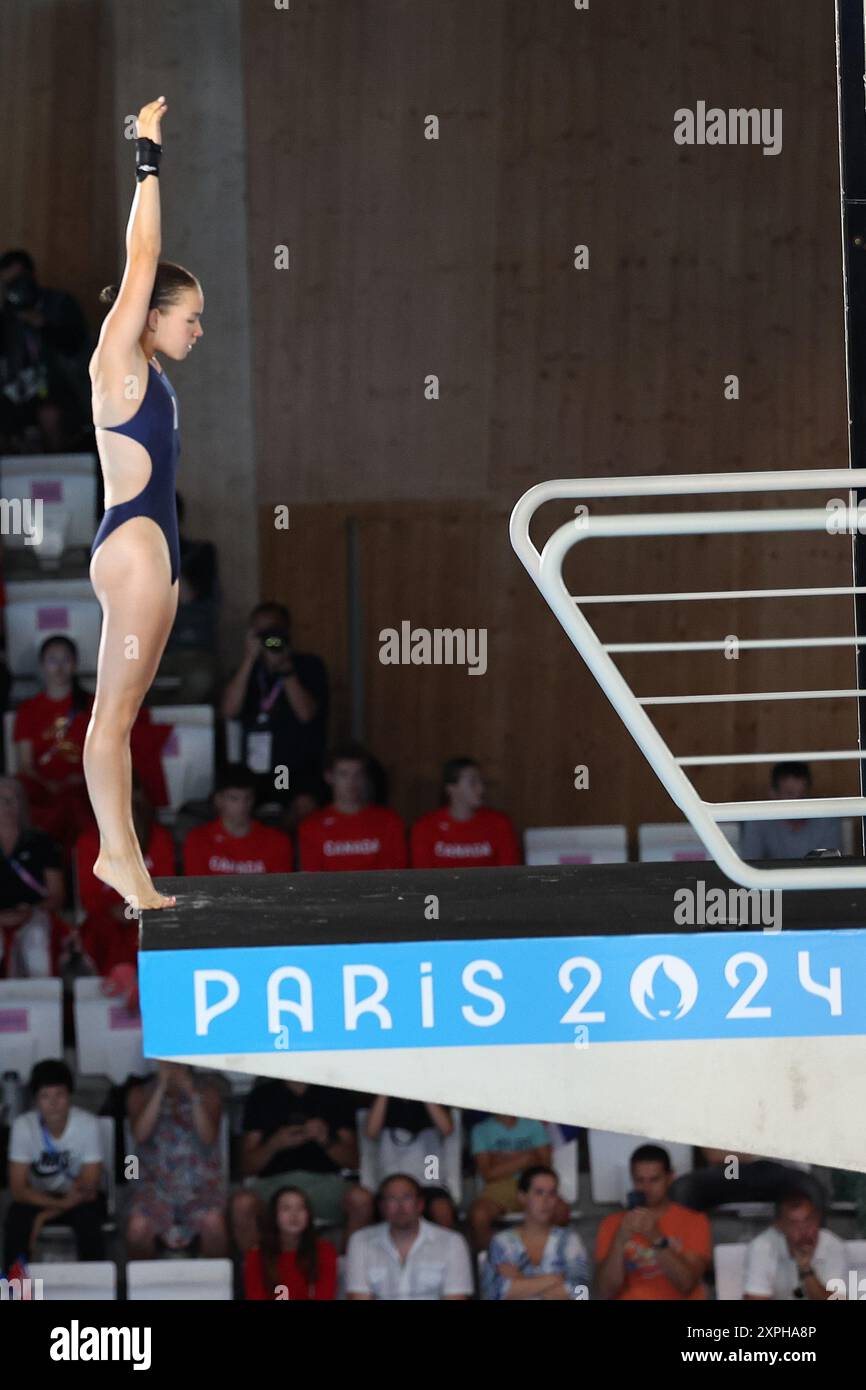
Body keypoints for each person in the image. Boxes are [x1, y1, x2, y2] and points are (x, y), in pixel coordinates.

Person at [84, 95, 204, 911]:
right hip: (131, 546)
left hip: (155, 549)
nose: (198, 330)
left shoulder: (154, 376)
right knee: (112, 719)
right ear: (149, 315)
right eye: (190, 317)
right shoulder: (119, 356)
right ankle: (116, 859)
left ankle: (129, 860)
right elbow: (144, 251)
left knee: (126, 716)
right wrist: (149, 154)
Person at [231, 1078, 373, 1249]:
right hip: (272, 1184)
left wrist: (325, 1139)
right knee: (241, 1204)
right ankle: (257, 1271)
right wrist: (275, 1143)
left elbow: (353, 1161)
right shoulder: (262, 1095)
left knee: (361, 1199)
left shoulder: (335, 1094)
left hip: (325, 1183)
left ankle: (348, 1268)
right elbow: (246, 1166)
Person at [220, 601, 329, 823]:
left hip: (296, 767)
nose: (267, 637)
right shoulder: (246, 671)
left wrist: (285, 668)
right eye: (259, 632)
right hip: (254, 770)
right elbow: (229, 711)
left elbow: (306, 713)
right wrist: (249, 660)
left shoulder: (308, 665)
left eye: (273, 631)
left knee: (304, 807)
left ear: (287, 632)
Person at [4, 1059, 104, 1266]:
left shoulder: (88, 1125)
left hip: (79, 1199)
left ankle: (92, 1291)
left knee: (90, 1220)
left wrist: (44, 1217)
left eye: (59, 1095)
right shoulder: (24, 1127)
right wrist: (56, 1205)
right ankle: (18, 1293)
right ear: (36, 1100)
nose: (53, 1103)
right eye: (45, 1096)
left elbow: (89, 1187)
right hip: (37, 1198)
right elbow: (18, 1189)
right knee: (15, 1222)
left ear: (69, 1096)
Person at [75, 777, 175, 981]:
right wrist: (120, 910)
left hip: (149, 913)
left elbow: (166, 888)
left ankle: (141, 987)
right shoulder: (88, 842)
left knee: (146, 931)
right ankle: (116, 988)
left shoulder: (160, 838)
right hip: (107, 917)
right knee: (105, 930)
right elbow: (89, 898)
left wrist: (135, 909)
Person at [125, 1061, 227, 1258]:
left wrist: (192, 1095)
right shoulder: (139, 1094)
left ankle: (214, 1286)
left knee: (214, 1223)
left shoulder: (209, 1093)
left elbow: (208, 1138)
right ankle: (144, 1286)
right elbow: (139, 1135)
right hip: (152, 1187)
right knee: (137, 1227)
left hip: (200, 1187)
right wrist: (160, 1089)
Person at [0, 249, 91, 454]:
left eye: (19, 281)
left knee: (49, 414)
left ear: (32, 276)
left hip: (64, 388)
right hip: (19, 393)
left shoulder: (60, 305)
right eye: (9, 284)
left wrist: (42, 325)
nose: (16, 289)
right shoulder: (7, 317)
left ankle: (55, 474)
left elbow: (75, 346)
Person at [595, 1144, 712, 1300]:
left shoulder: (695, 1221)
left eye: (654, 1180)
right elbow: (605, 1292)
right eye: (639, 1180)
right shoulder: (612, 1224)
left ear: (670, 1178)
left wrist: (656, 1237)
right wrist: (619, 1240)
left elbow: (686, 1284)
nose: (646, 1187)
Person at [14, 635, 95, 860]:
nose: (59, 667)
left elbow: (103, 755)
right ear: (42, 666)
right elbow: (25, 764)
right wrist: (48, 783)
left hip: (83, 786)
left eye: (65, 659)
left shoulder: (92, 705)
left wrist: (81, 779)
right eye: (52, 660)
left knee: (74, 802)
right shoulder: (28, 710)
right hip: (43, 788)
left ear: (75, 664)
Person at [346, 1173, 473, 1300]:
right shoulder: (361, 1241)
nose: (400, 1206)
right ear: (382, 1206)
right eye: (391, 1198)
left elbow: (456, 1297)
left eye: (407, 1198)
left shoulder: (451, 1242)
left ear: (420, 1204)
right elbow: (359, 1296)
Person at [482, 1166, 590, 1300]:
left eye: (552, 1193)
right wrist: (555, 1279)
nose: (546, 1201)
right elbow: (496, 1293)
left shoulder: (569, 1239)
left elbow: (581, 1294)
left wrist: (519, 1280)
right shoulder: (502, 1241)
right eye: (539, 1192)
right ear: (522, 1197)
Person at [298, 743, 408, 871]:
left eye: (358, 774)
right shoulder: (311, 827)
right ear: (329, 777)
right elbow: (311, 881)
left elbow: (397, 876)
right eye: (344, 774)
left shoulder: (389, 821)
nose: (352, 782)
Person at [0, 775, 67, 978]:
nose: (8, 806)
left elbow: (57, 894)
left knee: (35, 939)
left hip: (34, 914)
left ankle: (41, 1004)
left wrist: (30, 911)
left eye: (14, 800)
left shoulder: (40, 841)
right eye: (2, 800)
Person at [467, 1112, 563, 1250]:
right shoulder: (481, 1130)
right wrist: (525, 1158)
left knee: (561, 1211)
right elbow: (488, 1174)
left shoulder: (534, 1125)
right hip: (498, 1189)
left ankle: (548, 1260)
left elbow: (545, 1166)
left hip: (534, 1185)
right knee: (478, 1215)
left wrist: (501, 1161)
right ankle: (491, 1267)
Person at [182, 764, 293, 875]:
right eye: (234, 798)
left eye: (248, 797)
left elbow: (281, 889)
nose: (243, 805)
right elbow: (195, 889)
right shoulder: (198, 840)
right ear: (218, 800)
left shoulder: (277, 842)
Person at [411, 758, 521, 868]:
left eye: (481, 781)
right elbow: (423, 877)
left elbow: (509, 872)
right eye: (473, 782)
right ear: (451, 788)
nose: (481, 788)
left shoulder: (499, 824)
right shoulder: (425, 827)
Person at [743, 1190, 848, 1301]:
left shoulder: (833, 1246)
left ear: (818, 1219)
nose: (804, 1231)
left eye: (808, 1221)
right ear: (780, 1226)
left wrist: (806, 1269)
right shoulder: (762, 1247)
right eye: (795, 1224)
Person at [670, 1146, 828, 1214]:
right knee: (685, 1188)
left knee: (809, 1188)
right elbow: (714, 1154)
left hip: (782, 1170)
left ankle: (815, 1266)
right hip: (733, 1168)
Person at [244, 1185, 338, 1300]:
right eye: (286, 1208)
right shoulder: (256, 1256)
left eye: (300, 1208)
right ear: (274, 1215)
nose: (294, 1214)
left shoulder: (324, 1251)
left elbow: (325, 1296)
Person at [364, 1095, 454, 1209]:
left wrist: (422, 1088)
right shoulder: (385, 1102)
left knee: (441, 1208)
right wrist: (386, 1087)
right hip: (393, 1182)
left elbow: (447, 1129)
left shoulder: (435, 1098)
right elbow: (371, 1132)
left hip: (430, 1181)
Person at [740, 762, 843, 860]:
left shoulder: (827, 820)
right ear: (773, 794)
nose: (798, 802)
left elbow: (831, 867)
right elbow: (749, 866)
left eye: (803, 795)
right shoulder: (758, 821)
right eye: (790, 794)